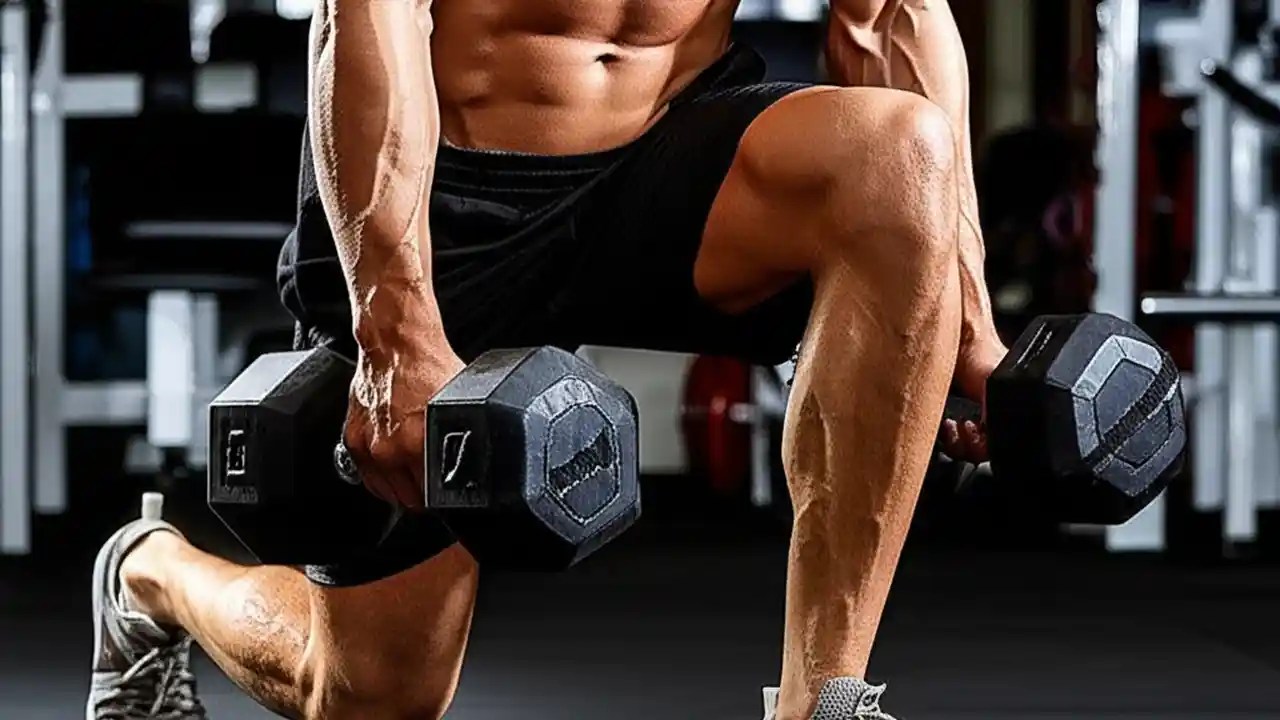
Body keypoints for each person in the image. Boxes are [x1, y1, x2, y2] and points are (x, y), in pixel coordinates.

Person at [87, 1, 1004, 718]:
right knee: (373, 692)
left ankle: (825, 702)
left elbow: (889, 17)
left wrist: (962, 308)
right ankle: (150, 576)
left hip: (666, 152)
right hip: (441, 194)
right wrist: (393, 331)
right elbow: (368, 14)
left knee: (896, 150)